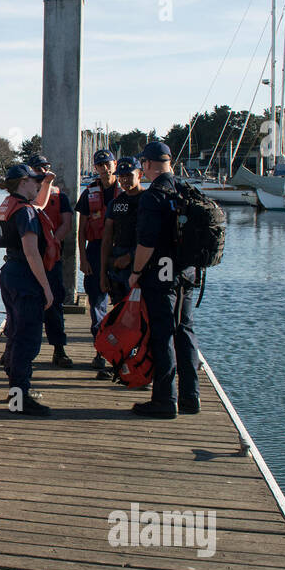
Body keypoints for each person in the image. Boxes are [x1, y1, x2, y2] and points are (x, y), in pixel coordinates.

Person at [128, 141, 200, 418]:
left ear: (146, 164)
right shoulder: (186, 189)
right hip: (188, 272)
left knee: (162, 334)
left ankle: (164, 400)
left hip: (162, 273)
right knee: (185, 332)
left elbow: (146, 243)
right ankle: (190, 398)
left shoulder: (153, 195)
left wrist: (135, 272)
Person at [0, 162, 55, 416]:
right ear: (23, 183)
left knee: (16, 332)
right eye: (35, 181)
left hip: (9, 273)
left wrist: (48, 183)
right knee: (26, 339)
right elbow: (32, 253)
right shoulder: (25, 213)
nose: (38, 184)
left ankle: (16, 391)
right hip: (24, 276)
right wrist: (46, 288)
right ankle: (19, 400)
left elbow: (38, 204)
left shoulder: (14, 206)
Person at [24, 153, 75, 367]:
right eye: (38, 168)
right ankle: (16, 350)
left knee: (54, 305)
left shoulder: (59, 196)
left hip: (51, 259)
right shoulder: (24, 197)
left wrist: (54, 240)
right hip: (28, 259)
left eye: (46, 167)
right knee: (23, 306)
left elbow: (66, 223)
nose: (43, 171)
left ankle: (59, 349)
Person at [78, 149, 123, 368]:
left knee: (124, 302)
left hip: (121, 252)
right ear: (95, 168)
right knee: (96, 303)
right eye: (99, 165)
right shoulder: (89, 193)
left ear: (115, 164)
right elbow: (81, 228)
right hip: (95, 250)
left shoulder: (126, 191)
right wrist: (83, 257)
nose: (104, 168)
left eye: (107, 164)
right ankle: (100, 351)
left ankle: (123, 351)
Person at [101, 155, 143, 308]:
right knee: (120, 312)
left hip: (140, 265)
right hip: (118, 267)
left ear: (140, 175)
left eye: (129, 175)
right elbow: (107, 238)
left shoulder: (149, 201)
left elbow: (155, 238)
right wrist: (102, 274)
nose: (124, 180)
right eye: (121, 176)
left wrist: (131, 256)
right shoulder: (115, 204)